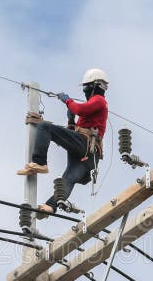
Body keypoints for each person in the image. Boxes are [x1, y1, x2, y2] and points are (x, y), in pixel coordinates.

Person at [16, 68, 109, 217]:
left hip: (86, 146)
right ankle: (50, 207)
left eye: (86, 87)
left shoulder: (99, 100)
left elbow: (79, 109)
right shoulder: (95, 106)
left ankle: (39, 162)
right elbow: (76, 127)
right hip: (88, 156)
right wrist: (71, 120)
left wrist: (66, 100)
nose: (84, 91)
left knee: (45, 127)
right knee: (69, 178)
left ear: (94, 86)